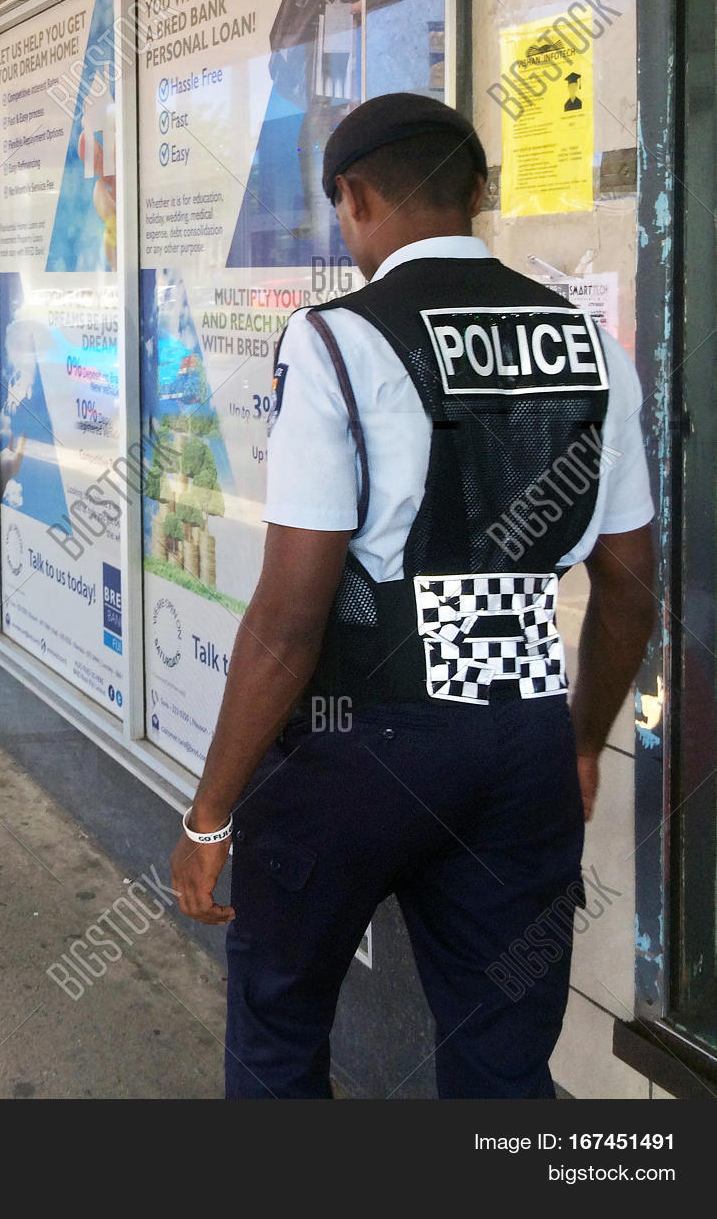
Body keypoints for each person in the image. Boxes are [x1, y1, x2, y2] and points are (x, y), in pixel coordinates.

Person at [169, 93, 656, 1099]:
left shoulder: (339, 342)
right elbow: (627, 588)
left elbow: (291, 618)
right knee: (502, 1060)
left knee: (279, 1027)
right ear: (477, 193)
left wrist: (211, 811)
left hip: (358, 744)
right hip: (521, 742)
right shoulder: (592, 349)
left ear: (351, 200)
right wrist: (575, 739)